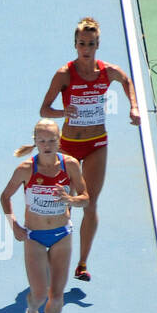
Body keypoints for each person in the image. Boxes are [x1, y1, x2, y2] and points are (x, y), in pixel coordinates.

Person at [38, 17, 142, 282]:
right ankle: (55, 253)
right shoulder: (64, 74)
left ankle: (82, 263)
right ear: (75, 45)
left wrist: (133, 106)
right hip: (69, 145)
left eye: (91, 44)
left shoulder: (107, 72)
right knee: (65, 204)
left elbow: (126, 80)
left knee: (90, 203)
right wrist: (64, 112)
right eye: (82, 43)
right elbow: (44, 109)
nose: (86, 48)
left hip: (96, 144)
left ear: (98, 45)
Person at [0, 120, 90, 313]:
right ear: (35, 142)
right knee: (39, 295)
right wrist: (14, 225)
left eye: (51, 141)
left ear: (58, 141)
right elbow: (5, 197)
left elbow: (86, 198)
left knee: (57, 295)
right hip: (35, 236)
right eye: (42, 141)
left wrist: (71, 200)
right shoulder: (26, 169)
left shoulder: (70, 165)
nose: (47, 145)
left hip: (62, 235)